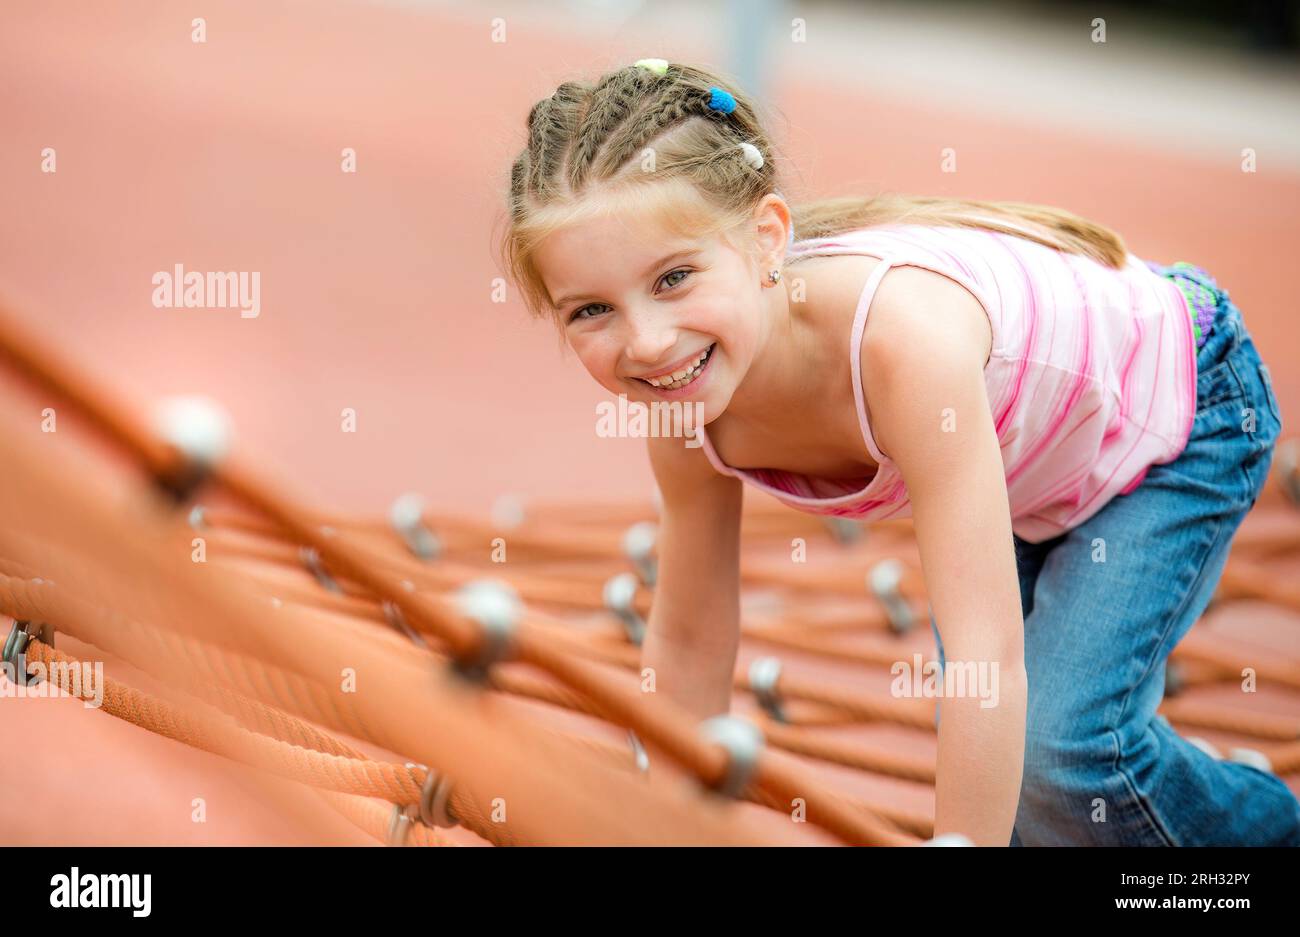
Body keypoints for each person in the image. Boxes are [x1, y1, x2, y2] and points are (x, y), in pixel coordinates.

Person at [497, 59, 1296, 845]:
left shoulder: (901, 346)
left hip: (1178, 410)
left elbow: (985, 653)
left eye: (673, 277)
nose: (646, 341)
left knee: (1057, 752)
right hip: (1028, 462)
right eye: (591, 309)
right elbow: (690, 633)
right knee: (1011, 779)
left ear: (766, 238)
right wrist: (669, 827)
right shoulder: (682, 402)